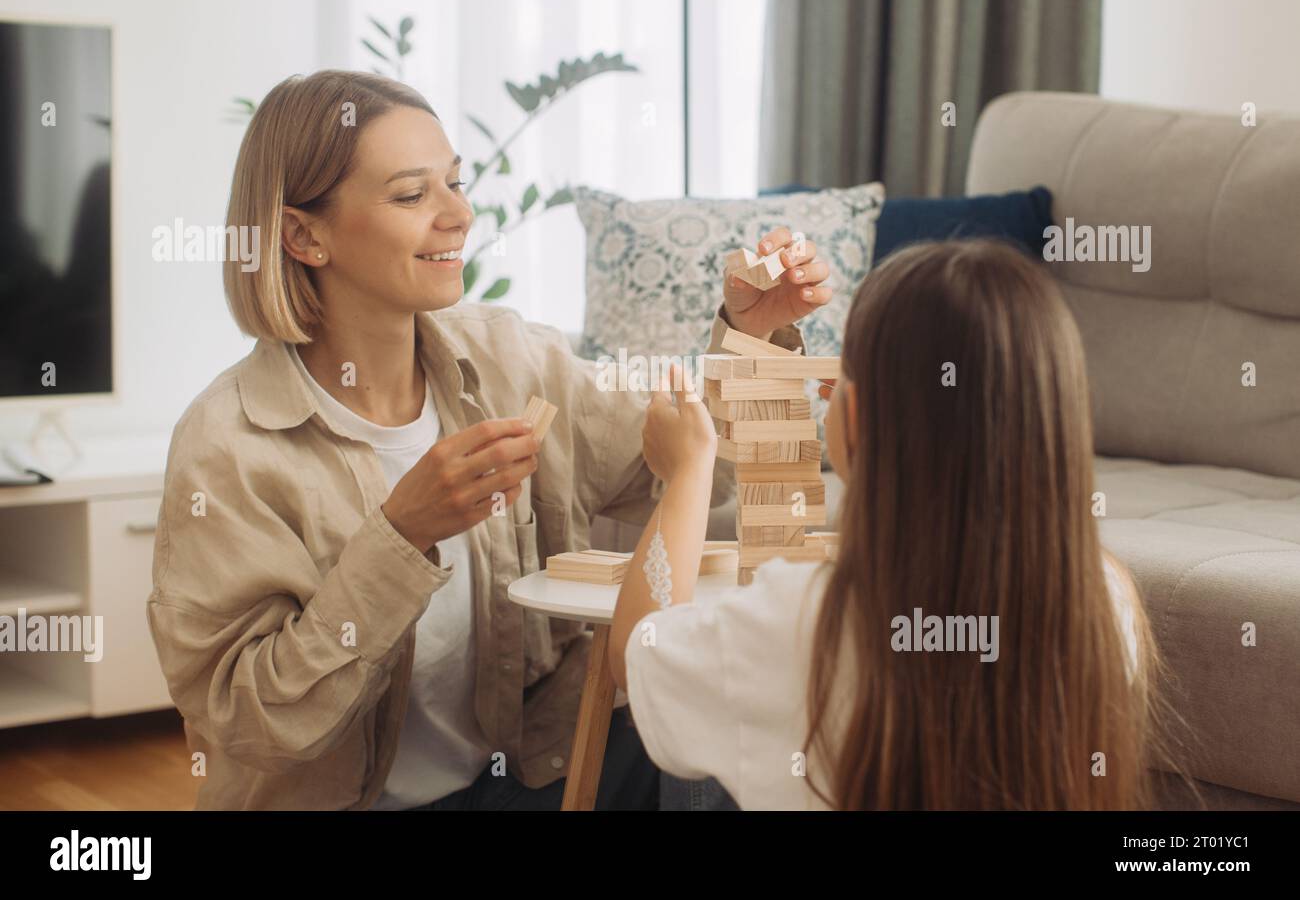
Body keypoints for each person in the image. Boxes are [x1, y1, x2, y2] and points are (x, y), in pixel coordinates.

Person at [145, 70, 833, 809]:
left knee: (719, 748)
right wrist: (401, 536)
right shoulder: (229, 445)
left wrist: (752, 335)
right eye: (411, 195)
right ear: (304, 236)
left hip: (522, 776)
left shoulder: (510, 356)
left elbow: (694, 465)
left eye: (455, 183)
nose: (460, 214)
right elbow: (254, 723)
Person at [611, 238, 1166, 810]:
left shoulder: (805, 617)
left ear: (853, 418)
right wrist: (756, 338)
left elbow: (637, 651)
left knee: (700, 738)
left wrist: (688, 472)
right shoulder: (1106, 596)